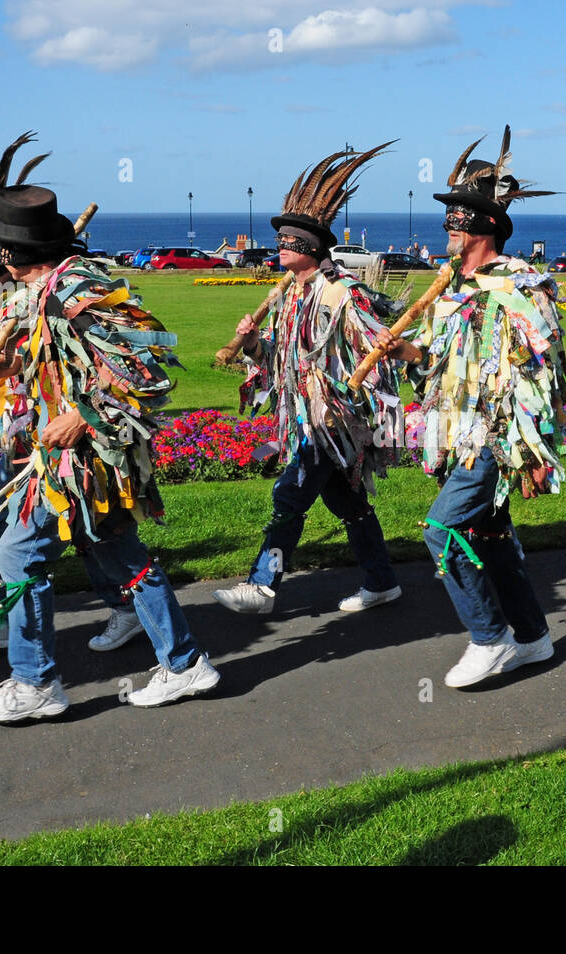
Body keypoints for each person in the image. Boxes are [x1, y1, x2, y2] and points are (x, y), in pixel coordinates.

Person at [0, 183, 219, 720]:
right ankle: (185, 663)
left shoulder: (72, 289)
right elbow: (47, 364)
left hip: (86, 459)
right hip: (73, 463)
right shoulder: (40, 292)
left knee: (17, 553)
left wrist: (82, 415)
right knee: (119, 554)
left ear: (11, 251)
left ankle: (35, 682)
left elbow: (141, 365)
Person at [375, 126, 564, 688]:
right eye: (448, 219)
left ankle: (489, 638)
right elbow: (436, 362)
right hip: (456, 430)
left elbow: (542, 369)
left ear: (484, 225)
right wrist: (405, 348)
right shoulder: (451, 287)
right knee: (490, 533)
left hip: (496, 434)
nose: (448, 228)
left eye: (458, 219)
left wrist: (522, 442)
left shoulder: (523, 286)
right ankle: (532, 636)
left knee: (442, 530)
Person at [215, 143, 404, 616]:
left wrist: (350, 396)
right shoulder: (292, 294)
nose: (279, 246)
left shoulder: (339, 292)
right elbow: (283, 361)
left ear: (310, 248)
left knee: (289, 495)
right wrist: (256, 344)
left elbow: (377, 351)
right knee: (349, 505)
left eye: (287, 241)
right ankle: (382, 582)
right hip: (306, 415)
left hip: (332, 421)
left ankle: (261, 587)